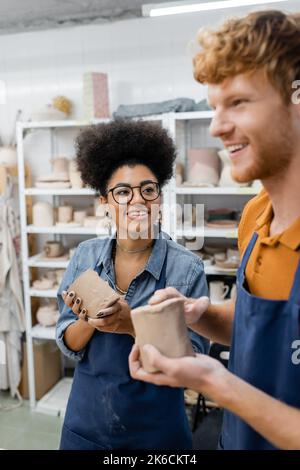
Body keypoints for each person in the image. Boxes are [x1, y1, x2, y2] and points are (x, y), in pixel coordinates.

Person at [129, 10, 300, 450]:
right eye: (214, 107)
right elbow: (253, 326)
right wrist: (197, 314)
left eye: (238, 102)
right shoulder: (257, 216)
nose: (216, 126)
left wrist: (214, 383)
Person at [56, 119, 209, 450]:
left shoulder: (186, 267)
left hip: (155, 435)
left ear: (159, 195)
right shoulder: (85, 256)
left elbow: (194, 364)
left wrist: (130, 324)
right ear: (104, 201)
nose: (137, 201)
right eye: (123, 192)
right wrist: (89, 319)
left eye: (148, 190)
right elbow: (67, 341)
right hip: (86, 427)